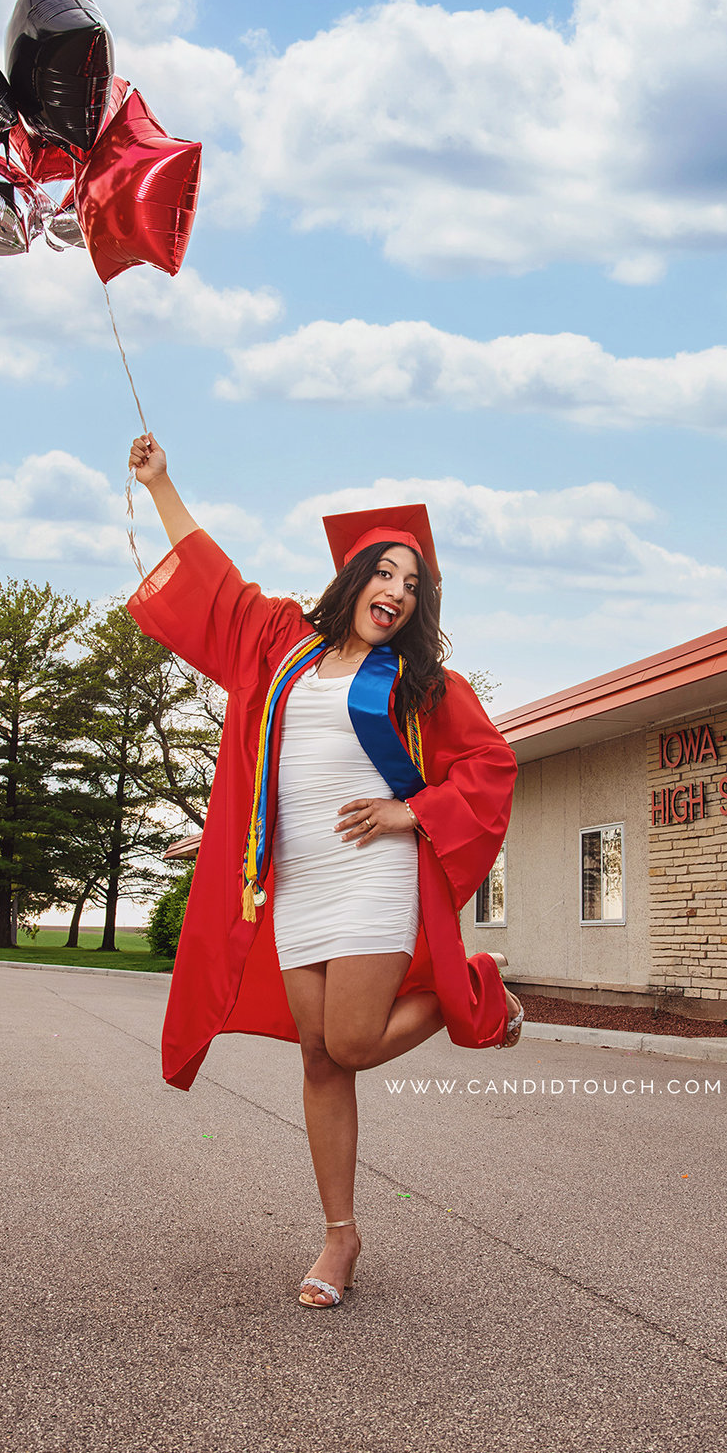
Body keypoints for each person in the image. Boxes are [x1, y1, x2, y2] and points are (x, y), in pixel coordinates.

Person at [126, 433, 522, 1309]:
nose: (397, 591)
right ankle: (340, 1237)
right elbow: (215, 582)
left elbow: (489, 766)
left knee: (349, 1039)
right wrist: (163, 487)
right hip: (295, 876)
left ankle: (476, 989)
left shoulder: (421, 682)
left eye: (412, 583)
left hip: (374, 870)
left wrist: (408, 811)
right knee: (318, 1058)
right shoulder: (279, 643)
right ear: (352, 579)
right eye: (384, 572)